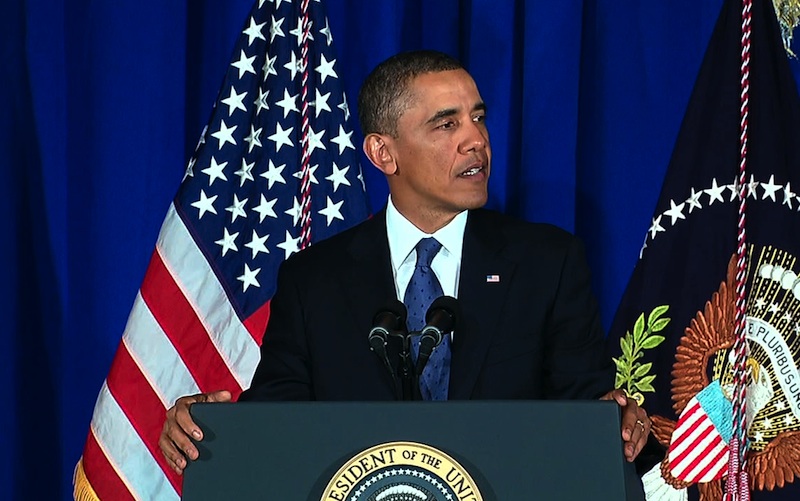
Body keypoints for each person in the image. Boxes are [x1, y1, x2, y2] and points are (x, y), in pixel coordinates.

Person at [159, 50, 651, 475]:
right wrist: (207, 427)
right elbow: (276, 424)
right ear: (383, 153)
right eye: (446, 124)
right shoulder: (315, 280)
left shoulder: (548, 263)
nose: (475, 139)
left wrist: (615, 417)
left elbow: (586, 411)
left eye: (477, 117)